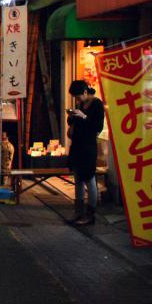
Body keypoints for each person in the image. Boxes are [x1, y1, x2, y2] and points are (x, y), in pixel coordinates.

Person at [66, 80, 105, 226]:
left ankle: (90, 214)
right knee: (78, 179)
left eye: (78, 97)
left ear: (85, 92)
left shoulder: (97, 104)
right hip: (77, 145)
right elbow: (73, 123)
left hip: (88, 146)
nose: (77, 100)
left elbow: (98, 127)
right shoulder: (81, 104)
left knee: (89, 178)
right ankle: (78, 212)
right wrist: (71, 116)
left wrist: (84, 116)